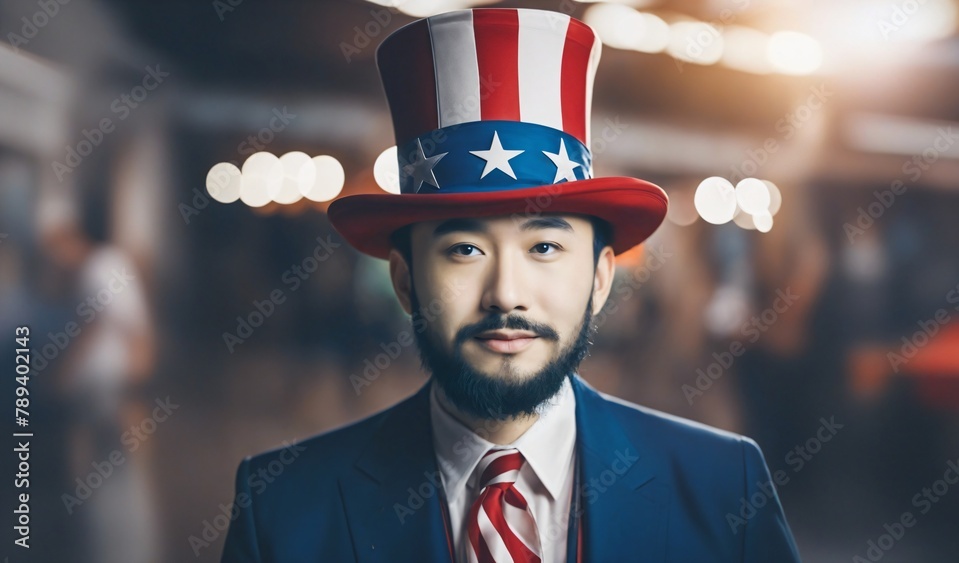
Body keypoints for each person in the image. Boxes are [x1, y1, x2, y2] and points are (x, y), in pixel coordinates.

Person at [221, 8, 800, 563]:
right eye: (464, 250)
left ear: (600, 279)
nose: (505, 293)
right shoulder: (283, 510)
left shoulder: (724, 488)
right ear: (405, 280)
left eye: (544, 247)